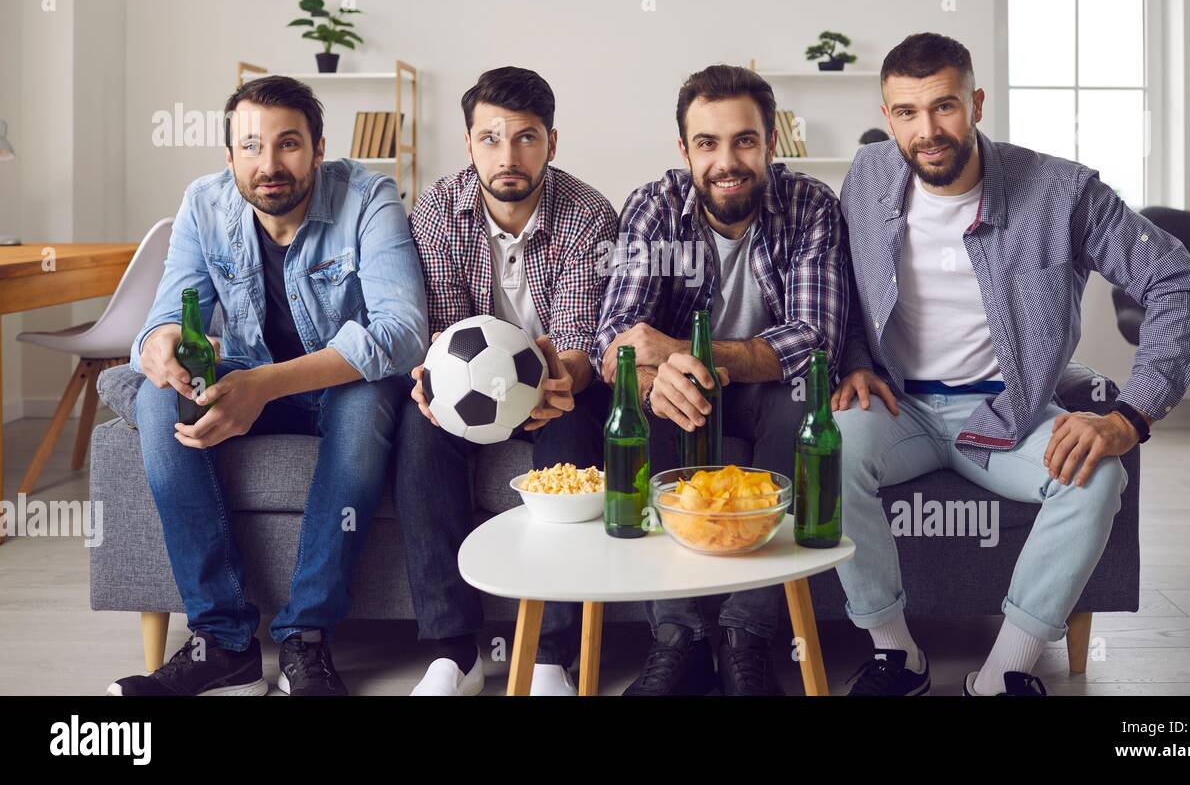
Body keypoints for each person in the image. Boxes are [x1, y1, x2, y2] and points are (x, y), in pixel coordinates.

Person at [833, 32, 1190, 696]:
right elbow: (843, 280)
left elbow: (1182, 283)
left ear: (977, 102)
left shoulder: (1062, 192)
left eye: (945, 106)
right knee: (827, 449)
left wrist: (1130, 413)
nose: (927, 130)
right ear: (888, 115)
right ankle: (897, 653)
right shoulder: (867, 175)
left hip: (1007, 414)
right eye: (906, 112)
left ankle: (1008, 667)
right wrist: (853, 358)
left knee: (1098, 478)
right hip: (902, 408)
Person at [110, 75, 427, 696]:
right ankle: (222, 640)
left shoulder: (369, 195)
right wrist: (159, 347)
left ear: (317, 149)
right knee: (152, 395)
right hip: (250, 379)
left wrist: (264, 385)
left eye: (288, 144)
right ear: (229, 156)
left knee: (366, 407)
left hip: (342, 387)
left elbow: (402, 332)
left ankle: (306, 638)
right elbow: (166, 314)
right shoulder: (204, 204)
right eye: (251, 147)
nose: (270, 164)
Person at [593, 64, 847, 696]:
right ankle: (678, 636)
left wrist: (677, 347)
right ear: (684, 150)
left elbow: (817, 339)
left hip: (768, 394)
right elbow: (615, 333)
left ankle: (747, 635)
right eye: (707, 144)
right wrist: (653, 375)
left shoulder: (810, 205)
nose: (726, 161)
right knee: (646, 402)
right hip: (686, 389)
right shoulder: (653, 206)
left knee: (801, 407)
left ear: (772, 143)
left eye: (744, 140)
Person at [398, 67, 618, 696]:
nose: (508, 155)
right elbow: (441, 334)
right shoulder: (438, 210)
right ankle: (454, 654)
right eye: (490, 138)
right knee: (420, 427)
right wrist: (433, 383)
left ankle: (550, 655)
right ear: (468, 144)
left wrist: (560, 379)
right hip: (467, 387)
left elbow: (578, 344)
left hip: (556, 383)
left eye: (526, 137)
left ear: (552, 141)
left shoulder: (589, 215)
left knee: (575, 426)